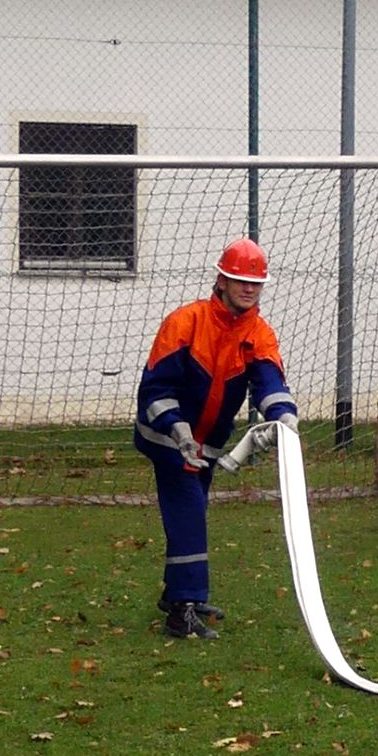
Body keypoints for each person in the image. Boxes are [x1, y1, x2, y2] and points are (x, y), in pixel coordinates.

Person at [134, 238, 299, 638]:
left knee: (190, 514)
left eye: (255, 283)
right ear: (220, 280)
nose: (248, 288)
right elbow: (155, 390)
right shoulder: (185, 322)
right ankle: (181, 610)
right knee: (189, 515)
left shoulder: (259, 333)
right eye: (239, 280)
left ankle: (181, 592)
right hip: (165, 438)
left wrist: (285, 416)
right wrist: (177, 429)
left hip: (207, 444)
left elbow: (269, 382)